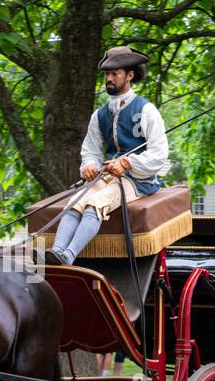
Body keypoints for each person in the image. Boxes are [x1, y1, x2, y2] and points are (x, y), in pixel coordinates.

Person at [45, 46, 170, 265]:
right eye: (106, 74)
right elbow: (91, 150)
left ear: (129, 76)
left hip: (139, 181)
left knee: (95, 202)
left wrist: (128, 163)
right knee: (76, 200)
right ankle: (55, 252)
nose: (109, 79)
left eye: (115, 74)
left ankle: (68, 256)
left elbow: (159, 154)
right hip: (107, 177)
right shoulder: (99, 115)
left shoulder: (147, 110)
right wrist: (89, 166)